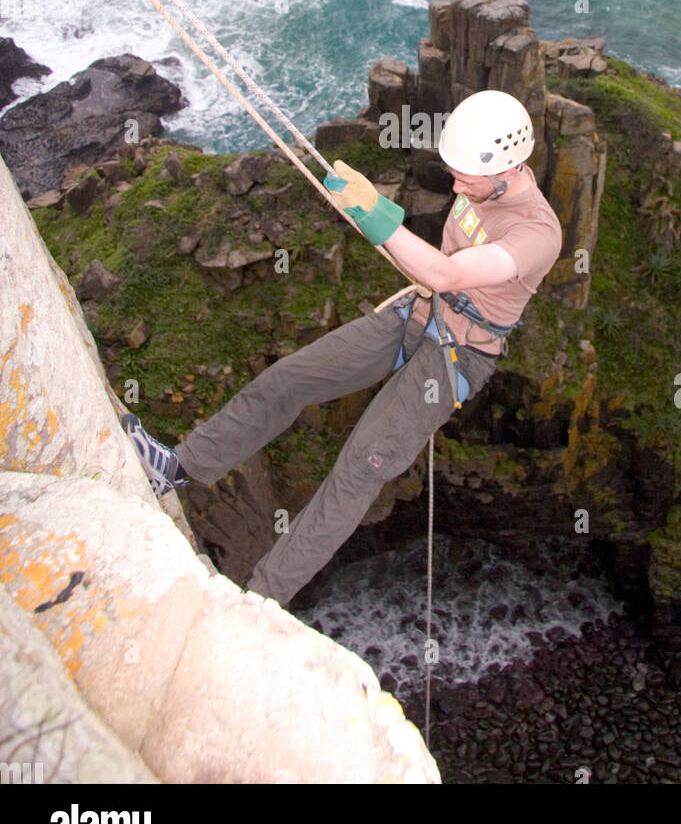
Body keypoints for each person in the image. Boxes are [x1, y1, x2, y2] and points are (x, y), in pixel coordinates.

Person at [123, 89, 563, 606]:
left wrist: (377, 212)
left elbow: (447, 273)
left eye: (465, 175)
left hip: (456, 356)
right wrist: (374, 204)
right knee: (292, 379)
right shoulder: (477, 185)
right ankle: (177, 468)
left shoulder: (537, 233)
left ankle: (259, 600)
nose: (454, 183)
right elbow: (432, 264)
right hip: (418, 315)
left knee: (360, 467)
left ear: (508, 171)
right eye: (453, 170)